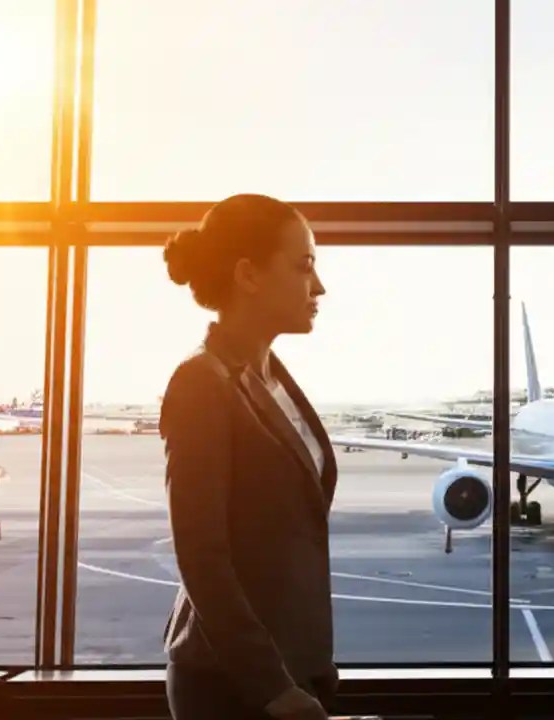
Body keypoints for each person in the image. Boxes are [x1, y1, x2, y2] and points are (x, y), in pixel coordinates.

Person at [158, 193, 336, 719]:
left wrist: (312, 665)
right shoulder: (201, 382)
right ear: (248, 276)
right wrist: (272, 687)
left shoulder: (270, 375)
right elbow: (202, 555)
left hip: (295, 671)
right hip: (233, 686)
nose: (319, 285)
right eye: (304, 265)